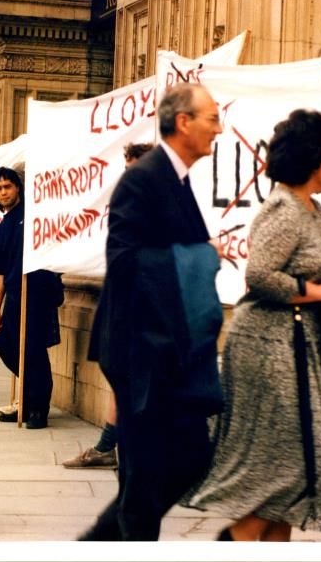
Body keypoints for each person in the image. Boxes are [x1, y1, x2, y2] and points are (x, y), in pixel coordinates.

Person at [182, 109, 321, 541]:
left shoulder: (311, 210)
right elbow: (259, 276)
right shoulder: (282, 209)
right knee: (291, 462)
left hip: (300, 348)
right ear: (312, 158)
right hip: (269, 350)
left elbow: (306, 269)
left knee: (293, 472)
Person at [79, 83, 226, 541]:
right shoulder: (144, 178)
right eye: (212, 119)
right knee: (148, 476)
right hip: (141, 351)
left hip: (168, 350)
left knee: (188, 461)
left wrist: (196, 253)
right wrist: (200, 255)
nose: (218, 129)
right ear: (184, 122)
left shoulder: (175, 177)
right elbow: (125, 262)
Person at [63, 141, 154, 469]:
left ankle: (122, 449)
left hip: (148, 311)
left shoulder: (159, 205)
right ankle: (109, 446)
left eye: (136, 170)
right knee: (122, 379)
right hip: (124, 305)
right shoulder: (132, 203)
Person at [0, 165, 64, 430]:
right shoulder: (0, 230)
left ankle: (38, 408)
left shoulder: (33, 217)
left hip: (38, 290)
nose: (3, 192)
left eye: (8, 186)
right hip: (16, 294)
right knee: (4, 341)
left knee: (32, 348)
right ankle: (31, 395)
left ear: (18, 187)